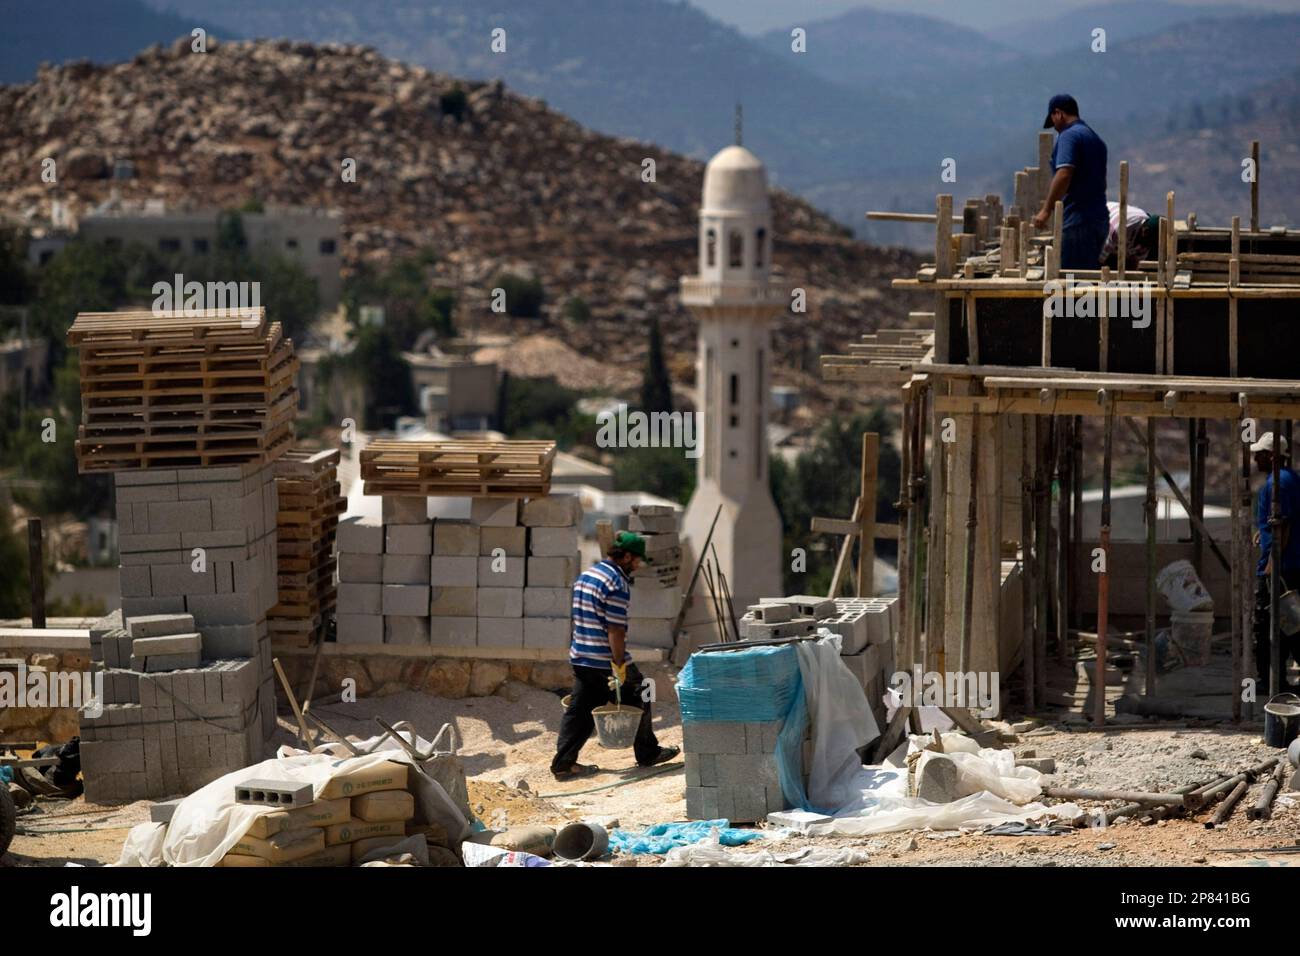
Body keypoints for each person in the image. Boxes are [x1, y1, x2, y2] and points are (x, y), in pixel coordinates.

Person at [550, 531, 679, 779]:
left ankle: (563, 764)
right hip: (604, 660)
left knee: (580, 710)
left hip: (580, 655)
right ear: (627, 556)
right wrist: (619, 664)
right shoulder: (616, 584)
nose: (639, 566)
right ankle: (647, 753)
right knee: (640, 691)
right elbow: (616, 630)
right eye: (638, 560)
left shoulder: (586, 576)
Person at [1033, 94, 1109, 271]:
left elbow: (1064, 173)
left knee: (1072, 283)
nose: (1055, 129)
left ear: (1058, 113)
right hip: (1099, 219)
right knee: (1087, 280)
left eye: (1053, 121)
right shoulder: (1094, 138)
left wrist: (1046, 210)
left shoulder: (1069, 136)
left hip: (1078, 220)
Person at [1251, 432, 1300, 691]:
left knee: (1269, 624)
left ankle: (1269, 681)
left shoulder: (1277, 484)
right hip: (1292, 564)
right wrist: (1265, 531)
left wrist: (1272, 564)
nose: (1254, 458)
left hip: (1282, 566)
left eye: (1259, 454)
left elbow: (1285, 526)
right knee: (1289, 624)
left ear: (1272, 456)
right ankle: (1276, 680)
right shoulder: (1290, 479)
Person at [1100, 201, 1160, 271]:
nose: (1146, 247)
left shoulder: (1146, 238)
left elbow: (1135, 263)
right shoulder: (1119, 229)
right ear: (1145, 232)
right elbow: (1101, 258)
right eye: (1149, 243)